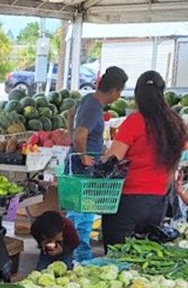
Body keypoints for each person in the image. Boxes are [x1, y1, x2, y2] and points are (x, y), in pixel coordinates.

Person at [101, 71, 187, 247]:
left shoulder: (135, 121)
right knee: (146, 254)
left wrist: (100, 160)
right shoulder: (176, 124)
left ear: (137, 95)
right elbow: (173, 165)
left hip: (127, 201)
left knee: (118, 256)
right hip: (158, 202)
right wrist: (161, 191)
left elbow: (112, 159)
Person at [65, 66, 128, 262]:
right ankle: (81, 257)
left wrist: (85, 148)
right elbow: (80, 134)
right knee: (83, 214)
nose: (119, 96)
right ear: (114, 90)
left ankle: (70, 252)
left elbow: (70, 114)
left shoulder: (88, 100)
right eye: (120, 91)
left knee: (76, 212)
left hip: (76, 164)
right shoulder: (93, 107)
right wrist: (83, 155)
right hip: (83, 168)